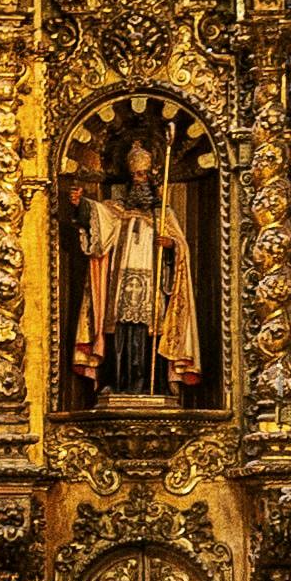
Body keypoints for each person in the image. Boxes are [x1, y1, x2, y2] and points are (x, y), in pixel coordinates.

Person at [70, 140, 201, 401]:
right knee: (119, 335)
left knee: (148, 336)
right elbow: (98, 222)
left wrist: (171, 245)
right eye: (133, 176)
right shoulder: (118, 212)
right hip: (120, 288)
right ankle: (118, 383)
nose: (137, 180)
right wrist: (80, 204)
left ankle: (154, 387)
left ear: (152, 178)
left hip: (153, 289)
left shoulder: (162, 215)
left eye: (141, 175)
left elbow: (182, 250)